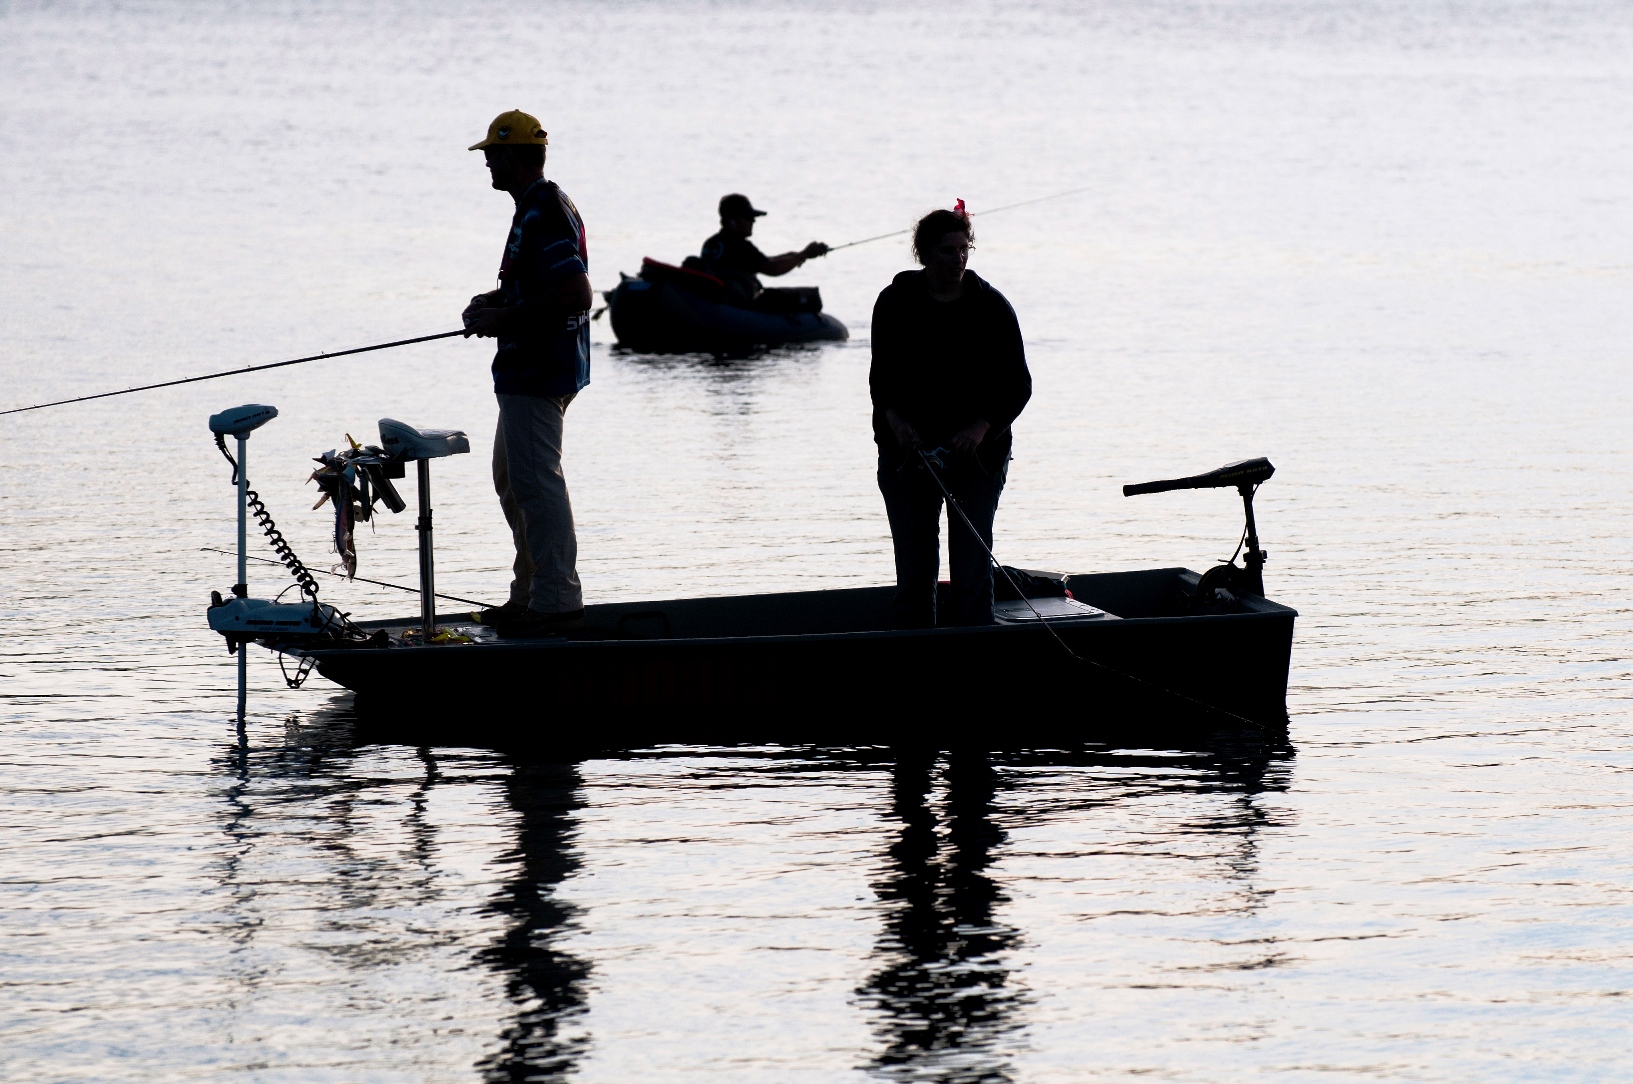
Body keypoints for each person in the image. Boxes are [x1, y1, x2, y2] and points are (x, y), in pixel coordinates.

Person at [461, 109, 593, 635]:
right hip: (524, 369)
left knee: (537, 483)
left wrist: (504, 318)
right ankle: (530, 592)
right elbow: (537, 286)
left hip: (541, 369)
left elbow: (575, 292)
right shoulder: (532, 208)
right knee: (512, 481)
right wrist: (490, 302)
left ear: (513, 154)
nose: (487, 162)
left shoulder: (545, 210)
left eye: (491, 153)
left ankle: (558, 601)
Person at [869, 206, 1031, 629]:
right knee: (915, 572)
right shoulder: (894, 303)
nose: (957, 259)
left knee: (972, 570)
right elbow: (881, 380)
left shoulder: (993, 307)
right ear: (924, 254)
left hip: (977, 456)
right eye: (946, 251)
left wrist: (981, 426)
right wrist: (896, 421)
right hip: (910, 455)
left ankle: (976, 649)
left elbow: (1018, 386)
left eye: (964, 250)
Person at [698, 193, 829, 306]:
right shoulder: (740, 246)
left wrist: (793, 255)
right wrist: (804, 255)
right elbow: (772, 268)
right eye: (748, 217)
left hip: (721, 301)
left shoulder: (712, 243)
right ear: (732, 220)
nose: (753, 221)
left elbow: (758, 262)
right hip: (736, 304)